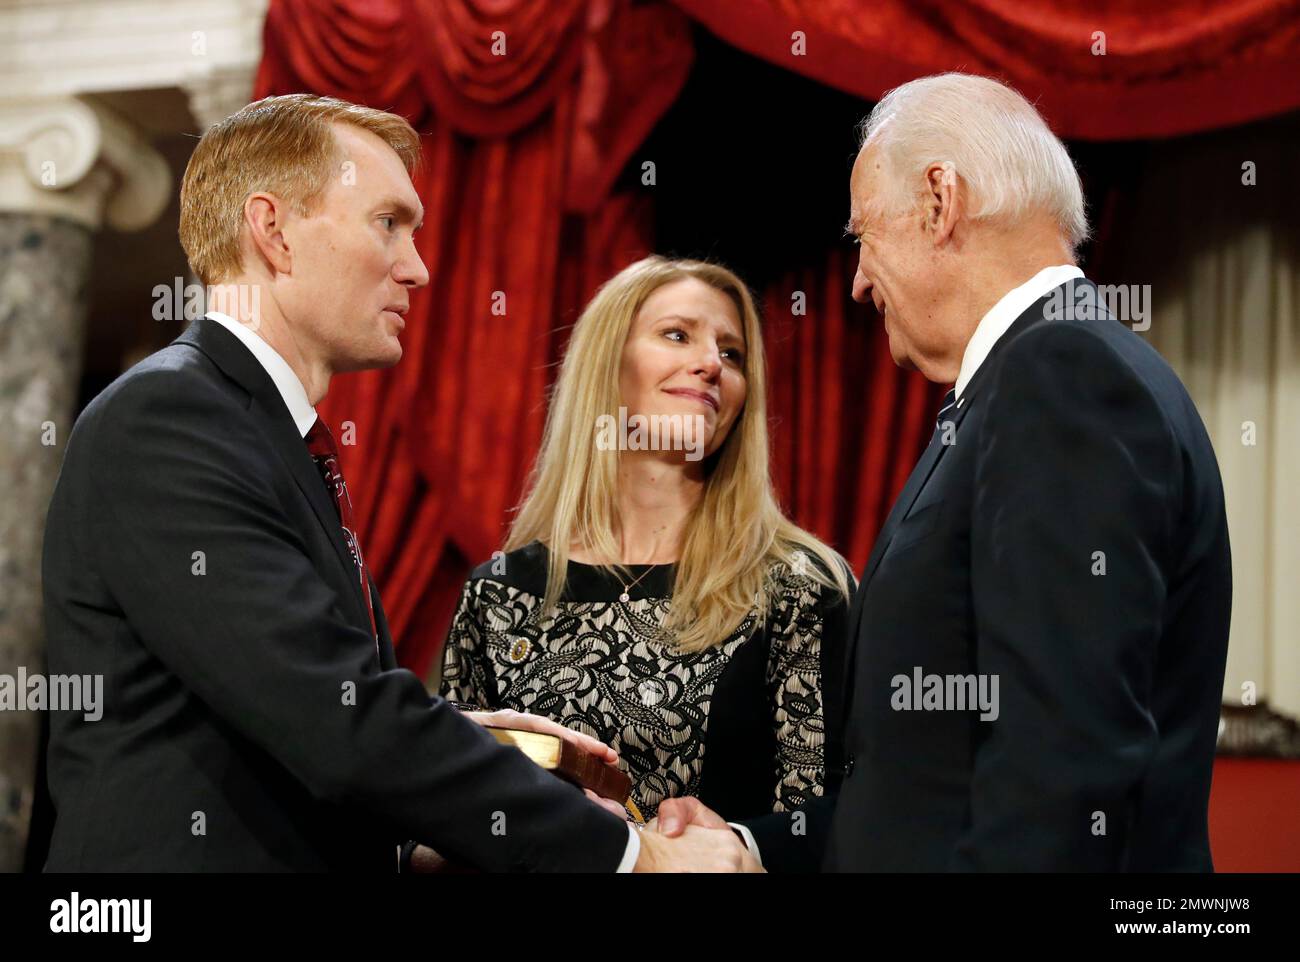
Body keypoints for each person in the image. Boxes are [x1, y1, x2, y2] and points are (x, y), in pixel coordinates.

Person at [41, 94, 754, 872]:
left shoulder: (263, 435)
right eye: (388, 224)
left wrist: (475, 737)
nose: (417, 268)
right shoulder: (171, 417)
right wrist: (635, 856)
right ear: (274, 231)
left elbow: (285, 703)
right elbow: (335, 723)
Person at [656, 72, 1232, 872]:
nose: (858, 280)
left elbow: (1059, 777)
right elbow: (926, 786)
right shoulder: (1035, 377)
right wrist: (751, 846)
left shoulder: (1061, 377)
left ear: (939, 199)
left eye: (863, 236)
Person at [439, 256, 854, 868]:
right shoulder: (498, 593)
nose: (712, 363)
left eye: (733, 354)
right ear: (608, 365)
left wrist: (735, 843)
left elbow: (834, 820)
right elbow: (444, 808)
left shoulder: (797, 584)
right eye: (677, 335)